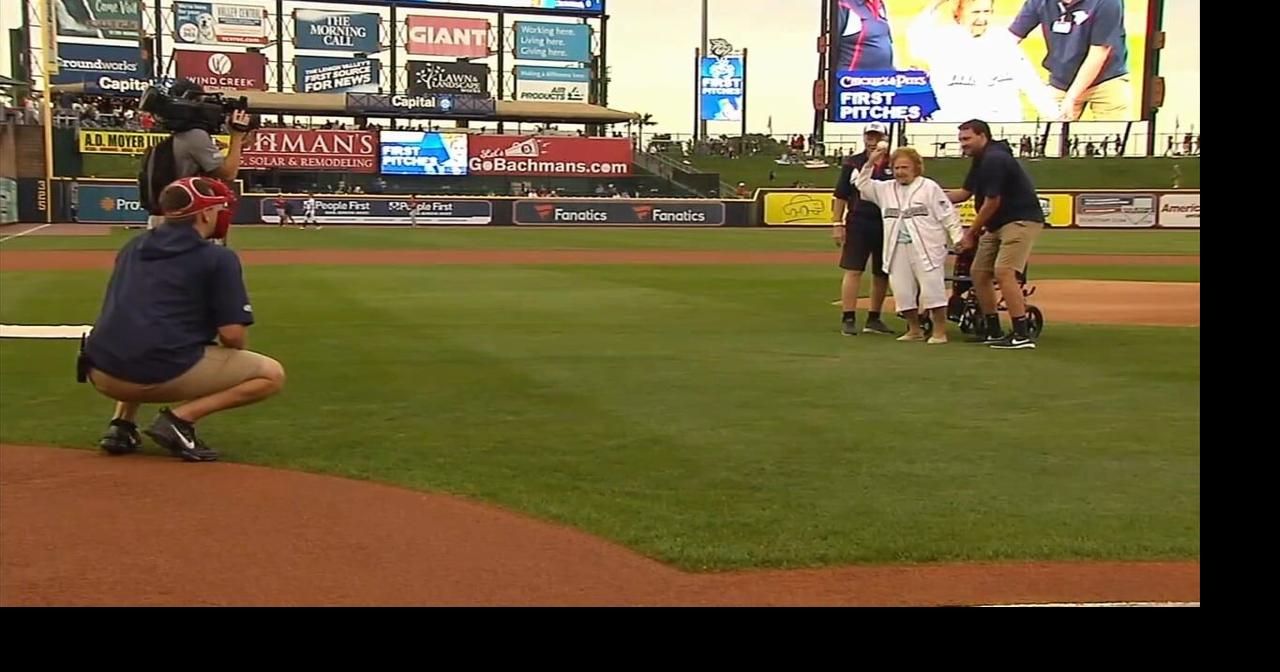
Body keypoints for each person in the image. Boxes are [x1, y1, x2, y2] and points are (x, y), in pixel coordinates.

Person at [83, 177, 286, 461]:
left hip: (101, 371)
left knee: (139, 330)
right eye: (216, 208)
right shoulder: (218, 258)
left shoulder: (134, 246)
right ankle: (179, 421)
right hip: (155, 372)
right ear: (204, 213)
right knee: (270, 375)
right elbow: (233, 336)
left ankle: (121, 425)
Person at [946, 119, 1044, 349]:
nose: (963, 144)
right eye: (961, 139)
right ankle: (992, 330)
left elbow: (992, 201)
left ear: (983, 136)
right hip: (997, 223)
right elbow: (964, 193)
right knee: (978, 273)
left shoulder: (994, 159)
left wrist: (971, 233)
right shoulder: (980, 159)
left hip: (1019, 219)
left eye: (967, 138)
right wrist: (928, 195)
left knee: (1004, 271)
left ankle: (1021, 334)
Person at [854, 146, 962, 343]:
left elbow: (948, 215)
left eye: (904, 167)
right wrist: (870, 163)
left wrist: (957, 238)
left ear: (916, 168)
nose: (900, 172)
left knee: (932, 289)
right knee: (902, 291)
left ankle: (939, 331)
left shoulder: (929, 187)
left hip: (927, 247)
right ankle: (914, 329)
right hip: (896, 248)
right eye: (896, 168)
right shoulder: (885, 189)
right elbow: (862, 184)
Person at [908, 0, 1059, 123]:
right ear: (958, 14)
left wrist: (1055, 116)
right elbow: (916, 37)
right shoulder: (942, 41)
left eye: (987, 12)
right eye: (975, 12)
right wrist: (936, 4)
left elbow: (1031, 83)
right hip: (957, 126)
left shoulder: (1002, 42)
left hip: (1003, 125)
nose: (982, 18)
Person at [140, 79, 254, 230]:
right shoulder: (195, 135)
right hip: (182, 223)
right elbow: (228, 174)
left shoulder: (175, 139)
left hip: (164, 221)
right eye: (200, 101)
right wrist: (237, 136)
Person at [1009, 0, 1133, 121]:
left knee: (1112, 136)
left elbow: (1099, 52)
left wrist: (1071, 98)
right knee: (1051, 136)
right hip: (1061, 81)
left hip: (1106, 80)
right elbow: (1011, 39)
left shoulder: (1108, 2)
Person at [831, 122, 895, 336]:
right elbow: (840, 194)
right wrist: (837, 223)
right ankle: (848, 317)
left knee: (882, 272)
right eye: (869, 135)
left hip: (886, 222)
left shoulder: (895, 162)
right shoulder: (853, 162)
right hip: (859, 220)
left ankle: (874, 318)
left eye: (876, 136)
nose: (872, 139)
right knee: (854, 269)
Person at [834, 0, 894, 72]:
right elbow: (830, 47)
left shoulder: (878, 4)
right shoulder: (844, 5)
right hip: (852, 79)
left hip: (882, 79)